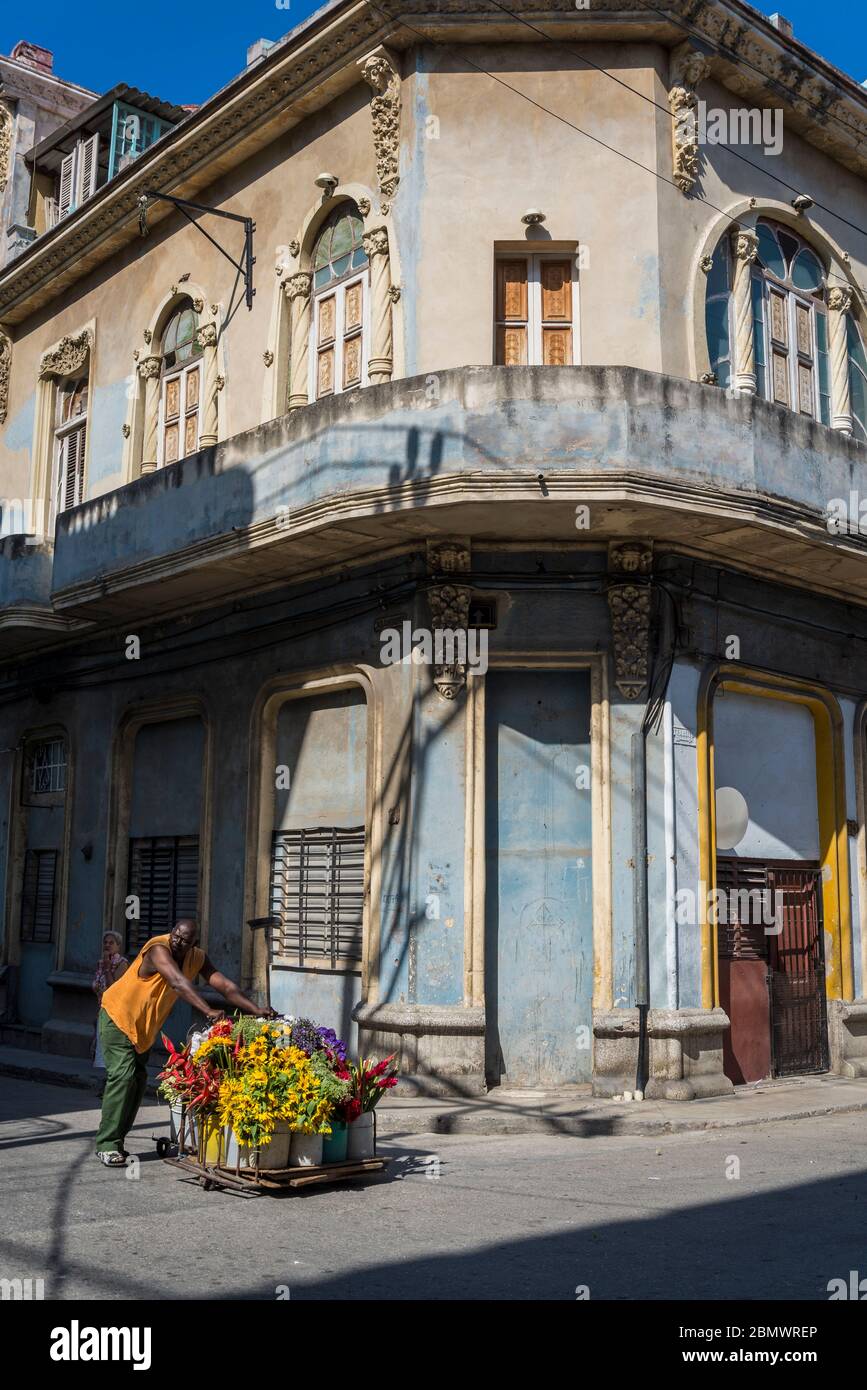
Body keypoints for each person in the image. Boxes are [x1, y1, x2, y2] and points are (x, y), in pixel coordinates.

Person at [94, 919, 275, 1167]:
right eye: (176, 936)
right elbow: (177, 982)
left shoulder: (197, 958)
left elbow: (225, 986)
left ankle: (116, 1141)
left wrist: (256, 1009)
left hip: (142, 1027)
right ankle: (107, 1145)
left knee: (137, 1081)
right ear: (171, 934)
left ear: (194, 944)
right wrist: (207, 1010)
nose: (177, 942)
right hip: (117, 1016)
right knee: (123, 1077)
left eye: (184, 940)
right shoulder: (158, 948)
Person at [91, 931, 129, 1079]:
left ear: (118, 946)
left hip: (115, 1012)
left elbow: (114, 988)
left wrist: (108, 967)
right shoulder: (101, 963)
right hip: (102, 1009)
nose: (107, 945)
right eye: (105, 942)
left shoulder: (122, 964)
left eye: (111, 943)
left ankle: (111, 1082)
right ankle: (106, 1083)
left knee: (109, 1047)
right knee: (101, 1048)